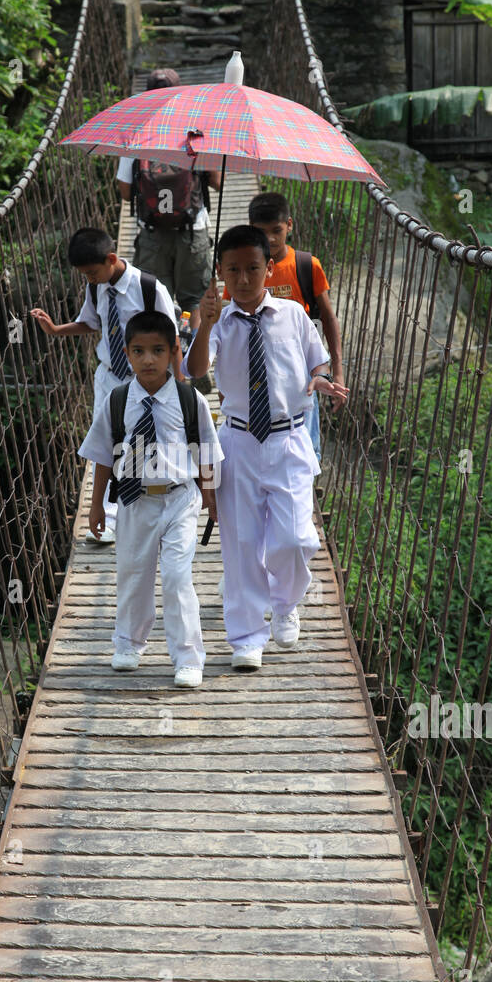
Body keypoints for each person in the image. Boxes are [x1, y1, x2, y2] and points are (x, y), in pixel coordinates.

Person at [185, 225, 349, 670]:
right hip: (237, 441)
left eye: (252, 269)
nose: (242, 279)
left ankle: (284, 602)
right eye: (232, 270)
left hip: (289, 439)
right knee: (240, 544)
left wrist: (321, 380)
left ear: (269, 268)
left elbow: (315, 363)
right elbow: (196, 371)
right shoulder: (214, 318)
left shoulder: (294, 314)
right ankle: (246, 638)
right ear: (219, 271)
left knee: (297, 539)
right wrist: (204, 324)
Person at [79, 309, 222, 688]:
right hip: (132, 500)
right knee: (133, 575)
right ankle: (128, 642)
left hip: (179, 500)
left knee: (176, 577)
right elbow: (102, 454)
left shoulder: (192, 400)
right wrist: (97, 506)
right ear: (126, 353)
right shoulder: (117, 400)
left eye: (158, 350)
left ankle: (188, 657)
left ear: (175, 351)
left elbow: (207, 452)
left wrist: (211, 499)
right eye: (139, 351)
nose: (148, 359)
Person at [31, 227, 179, 546]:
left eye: (92, 272)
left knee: (141, 446)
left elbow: (173, 340)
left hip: (145, 381)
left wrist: (176, 387)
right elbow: (92, 323)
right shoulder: (97, 286)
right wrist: (57, 330)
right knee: (107, 446)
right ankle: (109, 518)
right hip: (110, 376)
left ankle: (150, 513)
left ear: (111, 259)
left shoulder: (149, 289)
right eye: (84, 274)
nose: (88, 279)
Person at [116, 67, 221, 354]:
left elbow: (125, 193)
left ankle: (167, 360)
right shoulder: (195, 133)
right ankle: (195, 354)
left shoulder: (135, 133)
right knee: (194, 299)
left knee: (154, 299)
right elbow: (216, 181)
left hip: (151, 234)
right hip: (192, 231)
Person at [246, 192, 344, 463]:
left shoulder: (306, 265)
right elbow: (230, 316)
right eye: (261, 232)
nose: (270, 239)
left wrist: (337, 371)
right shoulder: (246, 269)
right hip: (257, 364)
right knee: (259, 441)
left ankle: (306, 477)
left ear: (289, 225)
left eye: (277, 230)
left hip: (301, 365)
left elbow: (328, 318)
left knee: (304, 433)